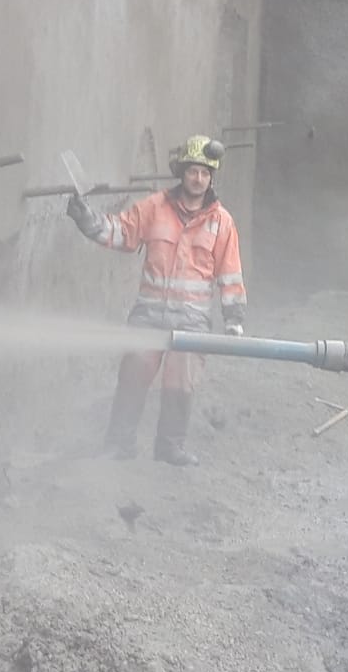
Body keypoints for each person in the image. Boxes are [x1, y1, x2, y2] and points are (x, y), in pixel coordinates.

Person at [66, 135, 247, 467]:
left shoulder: (222, 222)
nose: (198, 179)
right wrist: (85, 219)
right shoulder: (153, 208)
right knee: (132, 378)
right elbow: (119, 232)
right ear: (182, 172)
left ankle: (170, 447)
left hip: (192, 321)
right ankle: (119, 445)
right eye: (193, 171)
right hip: (149, 314)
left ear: (211, 178)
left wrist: (234, 319)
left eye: (205, 174)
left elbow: (230, 274)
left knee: (181, 385)